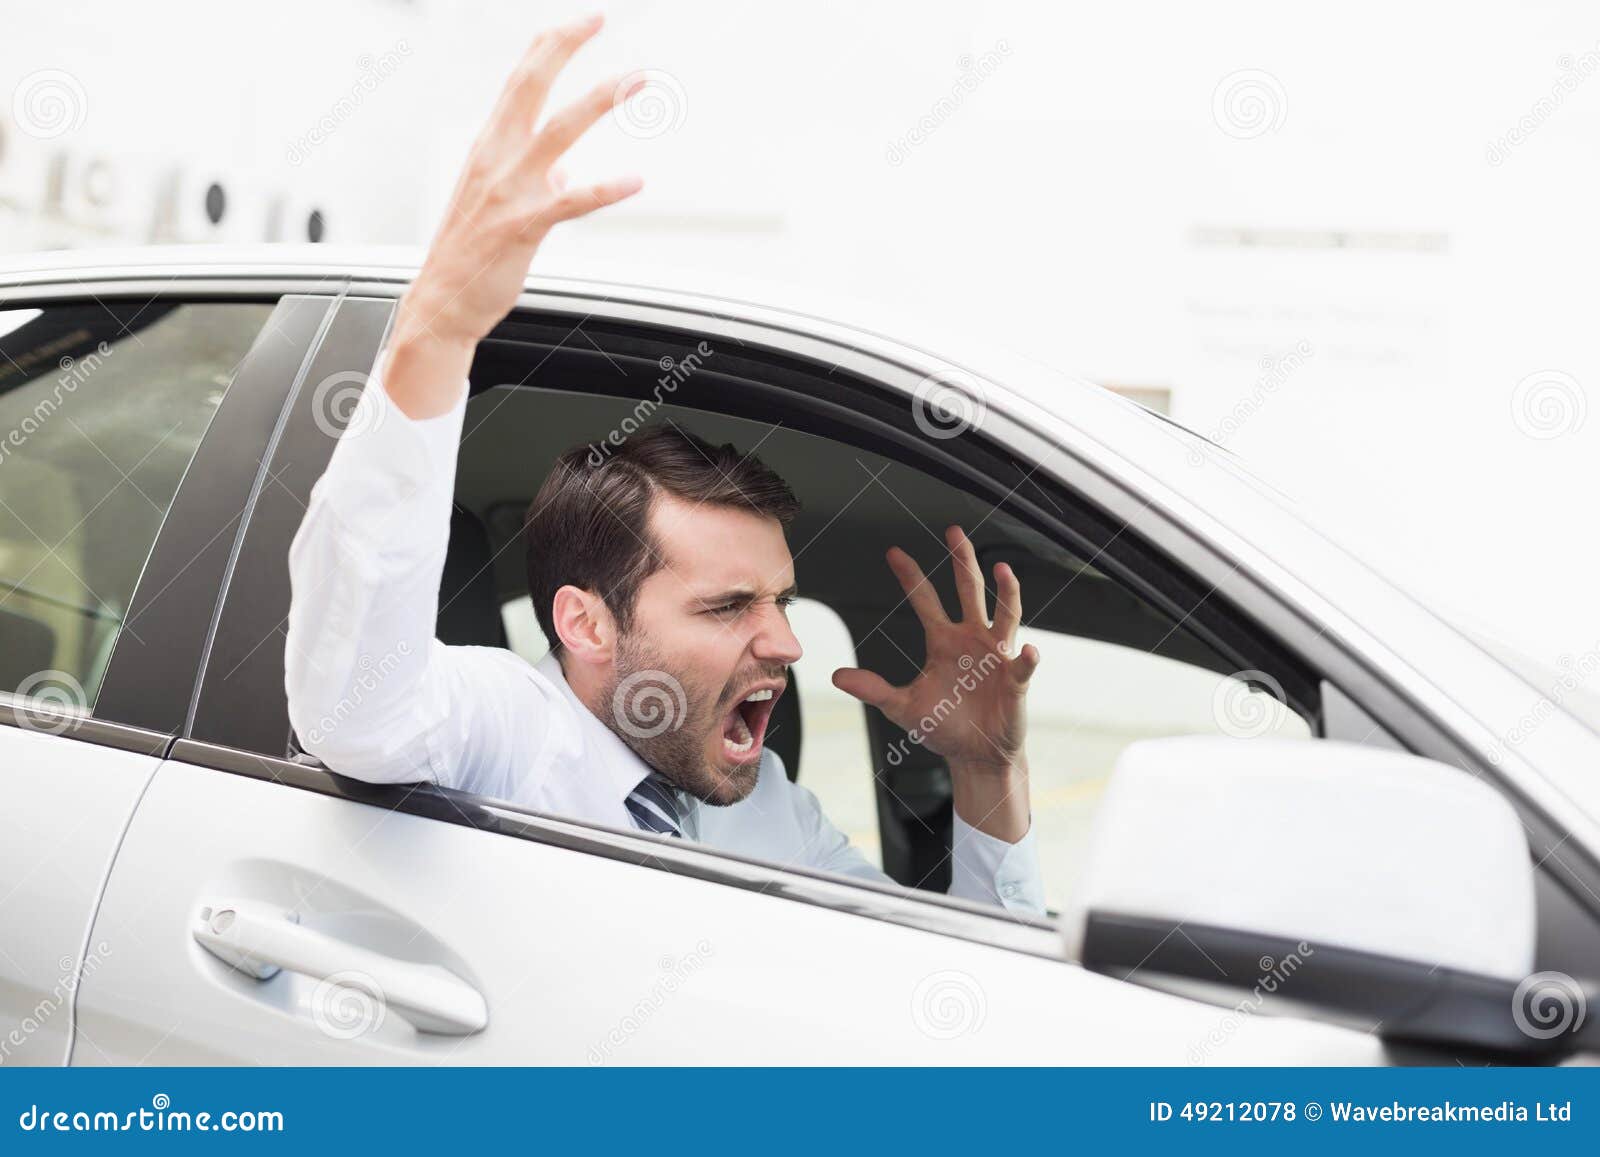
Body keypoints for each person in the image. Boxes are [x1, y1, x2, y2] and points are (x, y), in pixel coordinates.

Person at [284, 12, 1045, 914]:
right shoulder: (505, 728)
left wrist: (984, 766)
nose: (787, 644)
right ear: (586, 624)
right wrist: (437, 330)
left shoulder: (772, 812)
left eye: (780, 601)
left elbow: (964, 996)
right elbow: (354, 706)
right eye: (728, 605)